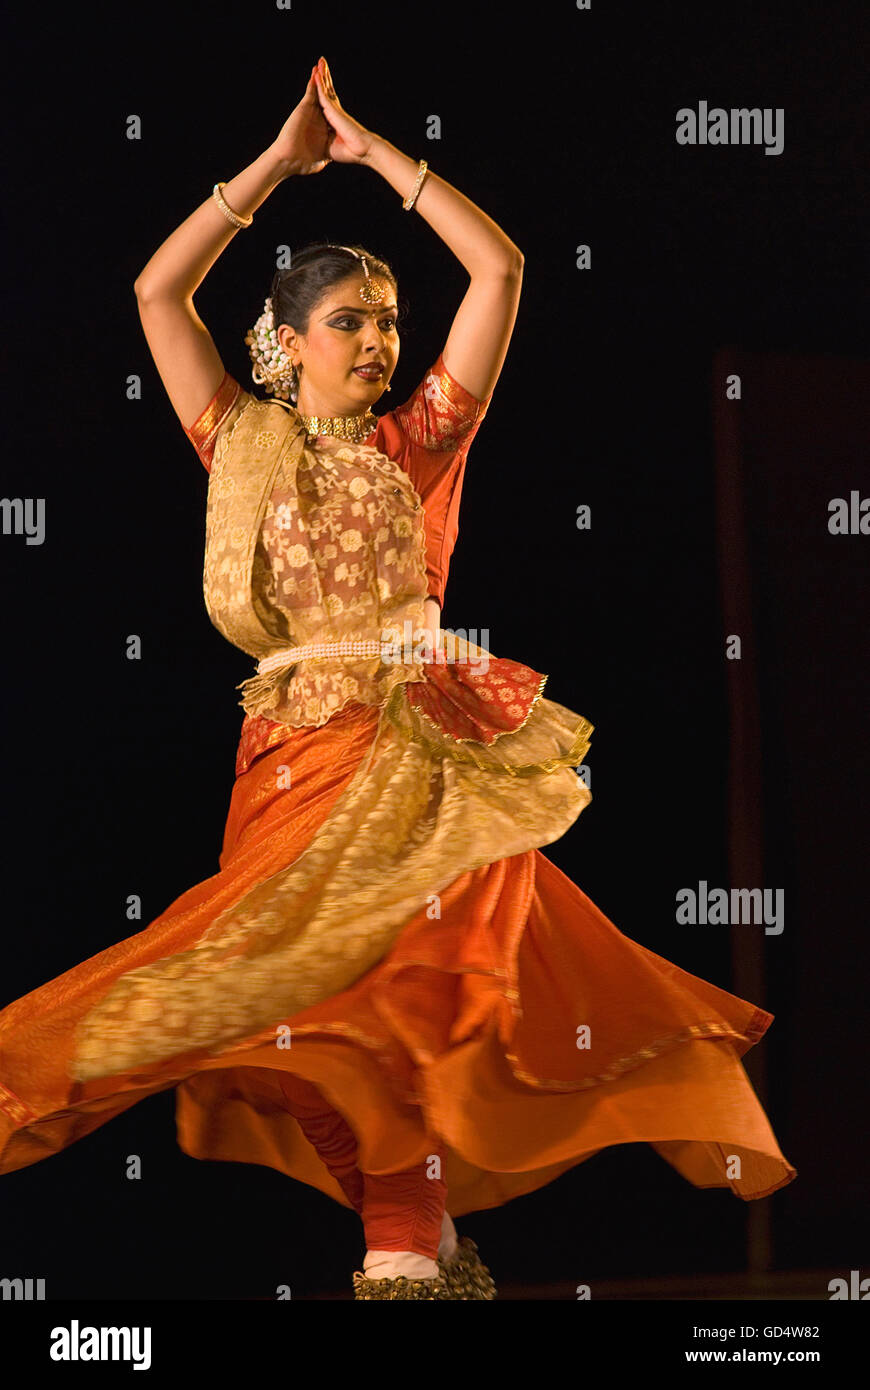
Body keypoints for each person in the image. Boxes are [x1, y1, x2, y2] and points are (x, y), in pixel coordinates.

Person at [0, 57, 795, 1301]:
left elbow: (502, 271)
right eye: (350, 321)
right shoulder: (238, 439)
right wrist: (276, 164)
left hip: (415, 754)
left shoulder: (419, 440)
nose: (379, 339)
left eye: (387, 320)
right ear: (285, 342)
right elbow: (159, 290)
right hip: (285, 766)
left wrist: (380, 158)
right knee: (287, 1011)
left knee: (409, 1006)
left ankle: (405, 1247)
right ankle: (410, 1236)